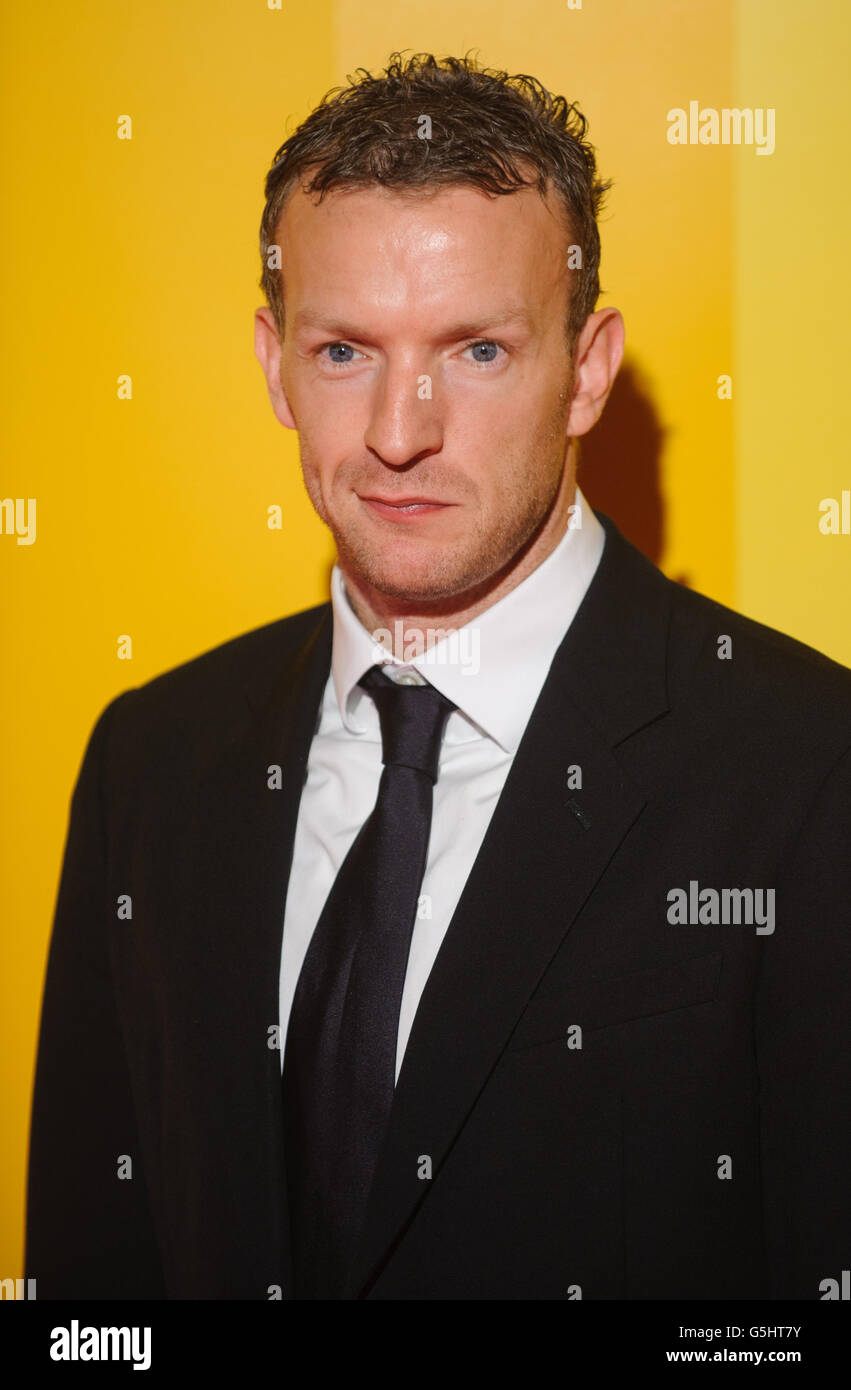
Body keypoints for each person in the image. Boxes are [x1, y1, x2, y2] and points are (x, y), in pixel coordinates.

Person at [26, 52, 851, 1301]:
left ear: (584, 369)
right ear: (273, 365)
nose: (399, 432)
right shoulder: (152, 760)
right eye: (346, 350)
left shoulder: (807, 770)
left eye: (473, 351)